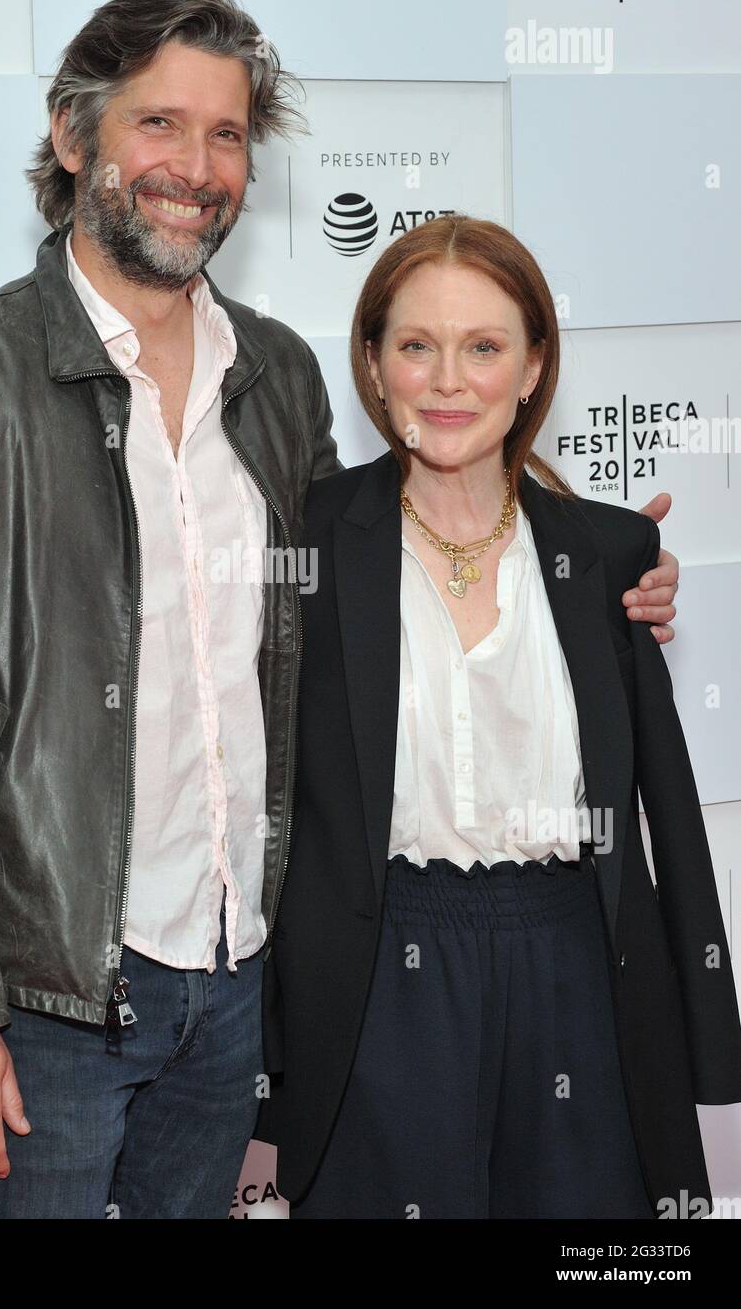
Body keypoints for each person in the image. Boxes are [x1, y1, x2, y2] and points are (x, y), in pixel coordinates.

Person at [0, 0, 680, 1221]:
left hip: (237, 989)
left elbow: (396, 558)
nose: (196, 165)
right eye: (159, 124)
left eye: (226, 135)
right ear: (75, 139)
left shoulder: (273, 376)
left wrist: (598, 569)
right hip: (46, 998)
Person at [255, 213, 741, 1220]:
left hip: (579, 972)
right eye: (416, 346)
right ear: (375, 367)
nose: (446, 382)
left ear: (531, 370)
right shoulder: (300, 548)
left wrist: (703, 1027)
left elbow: (670, 818)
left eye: (483, 347)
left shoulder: (609, 555)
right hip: (377, 982)